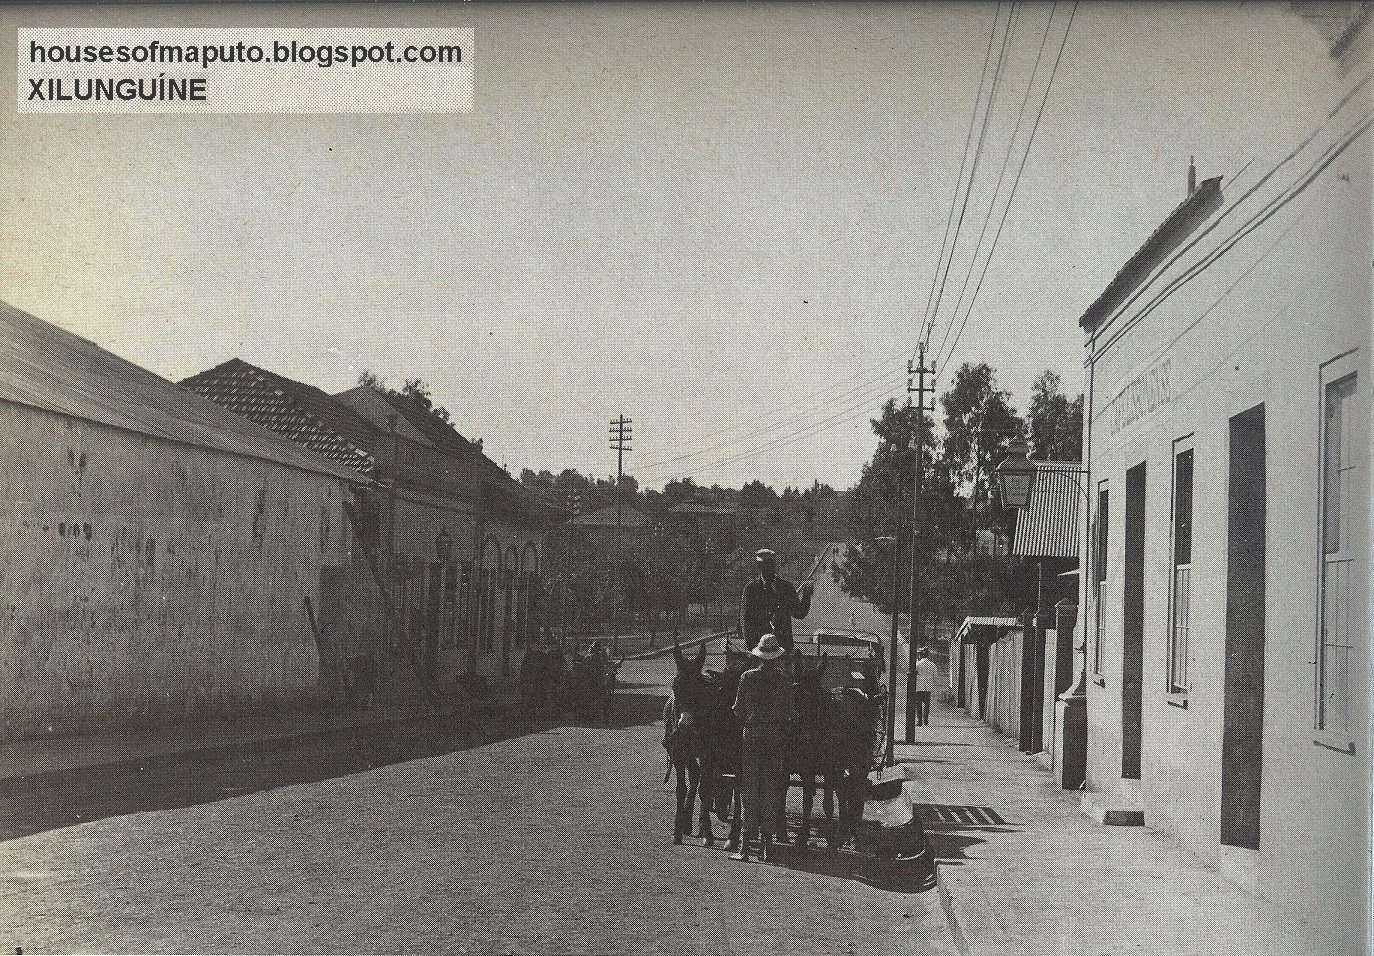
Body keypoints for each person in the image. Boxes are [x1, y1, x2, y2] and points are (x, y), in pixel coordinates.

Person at [730, 633, 796, 862]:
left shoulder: (747, 677)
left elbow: (738, 709)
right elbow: (790, 713)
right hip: (774, 738)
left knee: (749, 789)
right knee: (771, 790)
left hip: (752, 737)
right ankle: (768, 846)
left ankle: (745, 847)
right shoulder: (785, 680)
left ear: (759, 656)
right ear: (777, 657)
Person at [739, 549, 814, 652]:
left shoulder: (786, 587)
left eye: (770, 565)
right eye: (764, 565)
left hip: (783, 647)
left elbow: (799, 613)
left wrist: (806, 594)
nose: (768, 569)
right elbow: (745, 620)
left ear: (775, 565)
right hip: (759, 648)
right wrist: (751, 648)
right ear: (759, 567)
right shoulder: (751, 589)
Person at [912, 647, 938, 726]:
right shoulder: (932, 665)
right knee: (927, 704)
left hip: (919, 687)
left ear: (920, 655)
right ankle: (925, 720)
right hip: (928, 687)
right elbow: (935, 677)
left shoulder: (917, 664)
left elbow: (913, 675)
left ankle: (919, 721)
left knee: (918, 704)